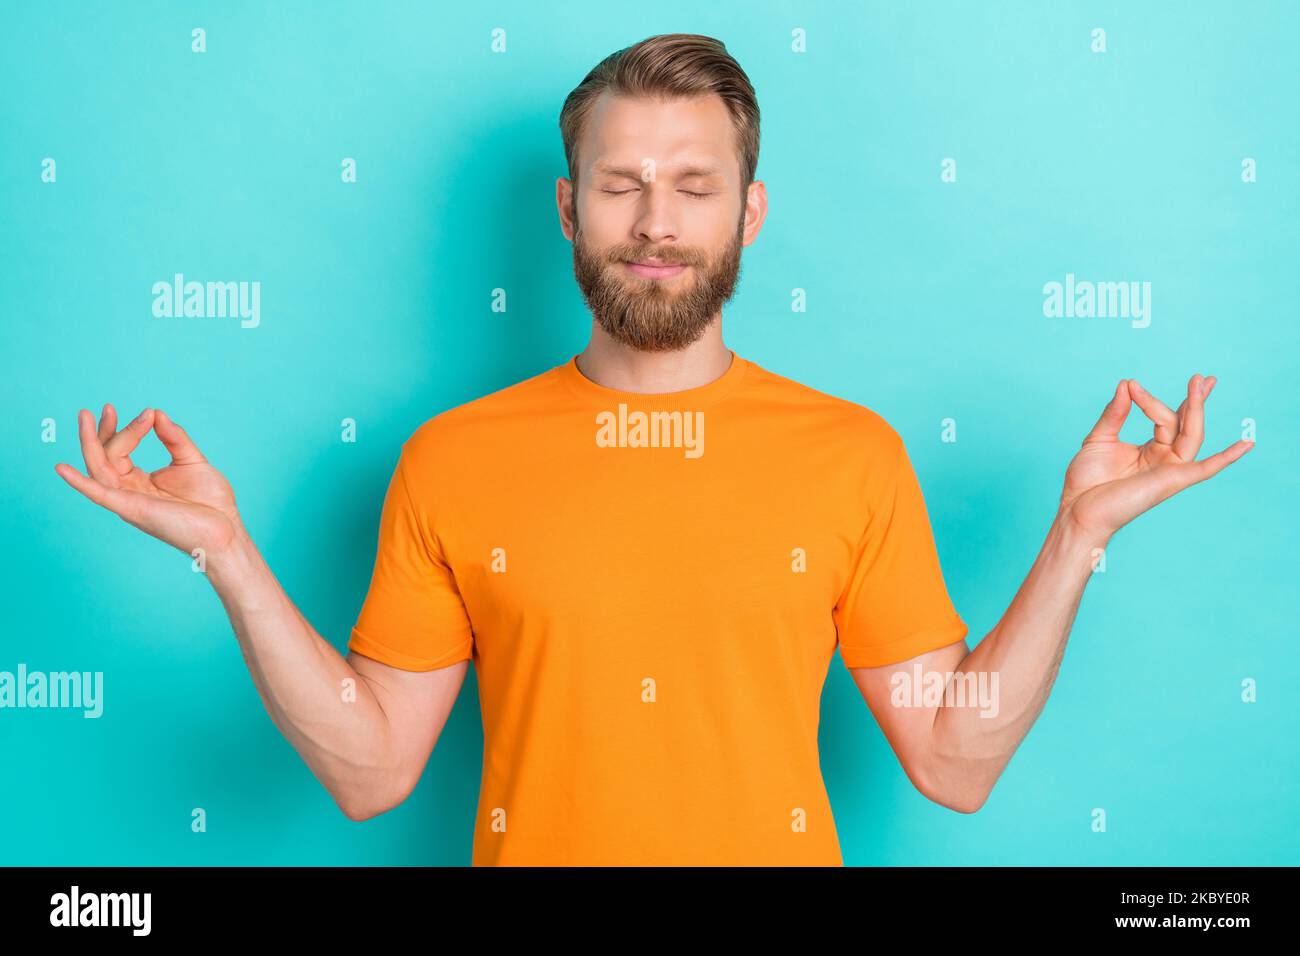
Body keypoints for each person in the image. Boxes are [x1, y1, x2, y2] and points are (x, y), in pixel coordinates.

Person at [54, 33, 1252, 866]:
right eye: (620, 185)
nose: (657, 222)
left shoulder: (851, 455)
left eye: (693, 184)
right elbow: (370, 773)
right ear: (570, 210)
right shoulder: (449, 461)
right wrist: (225, 555)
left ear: (751, 210)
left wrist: (1077, 535)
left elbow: (953, 754)